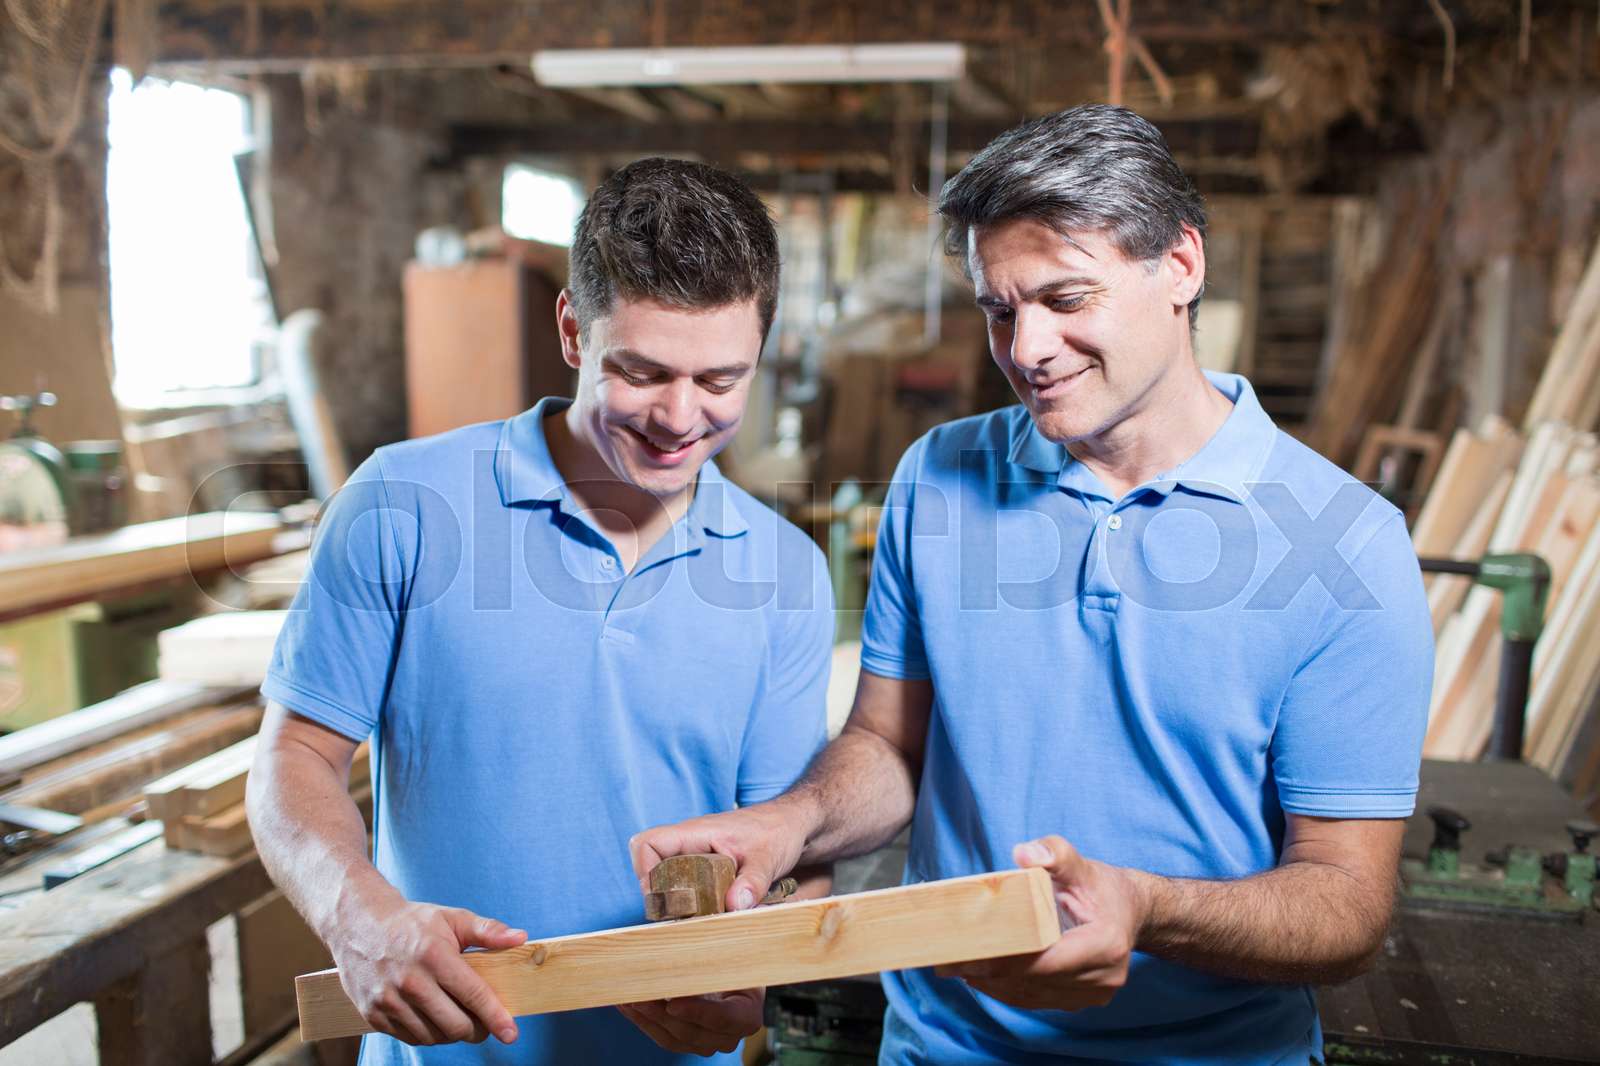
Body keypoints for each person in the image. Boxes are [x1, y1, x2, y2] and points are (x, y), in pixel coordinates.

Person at [631, 105, 1434, 1065]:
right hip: (940, 1046)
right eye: (999, 309)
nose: (1027, 349)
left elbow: (1345, 902)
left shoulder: (1347, 543)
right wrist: (787, 824)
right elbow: (891, 744)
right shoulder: (940, 475)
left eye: (1066, 298)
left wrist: (1145, 908)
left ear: (1181, 266)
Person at [246, 157, 833, 1065]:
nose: (681, 418)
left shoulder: (786, 572)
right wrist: (355, 915)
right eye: (642, 372)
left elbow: (790, 846)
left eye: (721, 381)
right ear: (572, 329)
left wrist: (759, 974)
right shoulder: (402, 501)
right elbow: (293, 757)